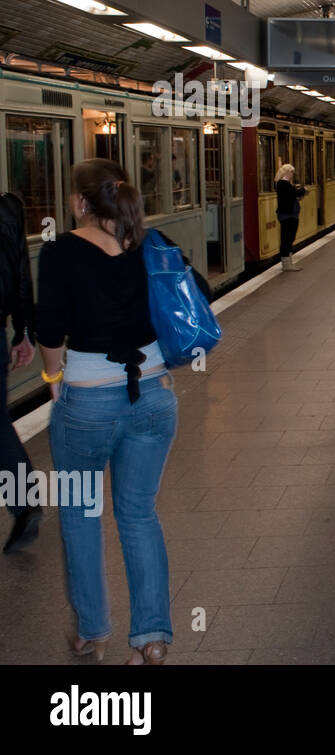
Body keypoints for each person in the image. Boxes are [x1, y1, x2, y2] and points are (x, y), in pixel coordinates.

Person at [36, 159, 209, 664]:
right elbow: (198, 294)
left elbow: (50, 331)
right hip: (155, 396)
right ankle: (152, 639)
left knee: (81, 514)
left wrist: (53, 383)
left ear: (80, 203)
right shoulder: (153, 244)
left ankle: (93, 630)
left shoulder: (61, 252)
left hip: (89, 398)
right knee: (138, 514)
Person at [0, 191, 39, 554]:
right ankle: (24, 498)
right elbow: (21, 275)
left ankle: (25, 499)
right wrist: (23, 329)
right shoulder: (8, 208)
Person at [274, 164, 307, 272]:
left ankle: (288, 262)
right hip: (288, 215)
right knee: (287, 239)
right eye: (291, 172)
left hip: (289, 215)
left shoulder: (284, 184)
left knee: (289, 238)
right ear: (286, 173)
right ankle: (286, 264)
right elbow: (295, 193)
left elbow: (292, 195)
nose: (293, 175)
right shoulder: (283, 184)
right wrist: (303, 190)